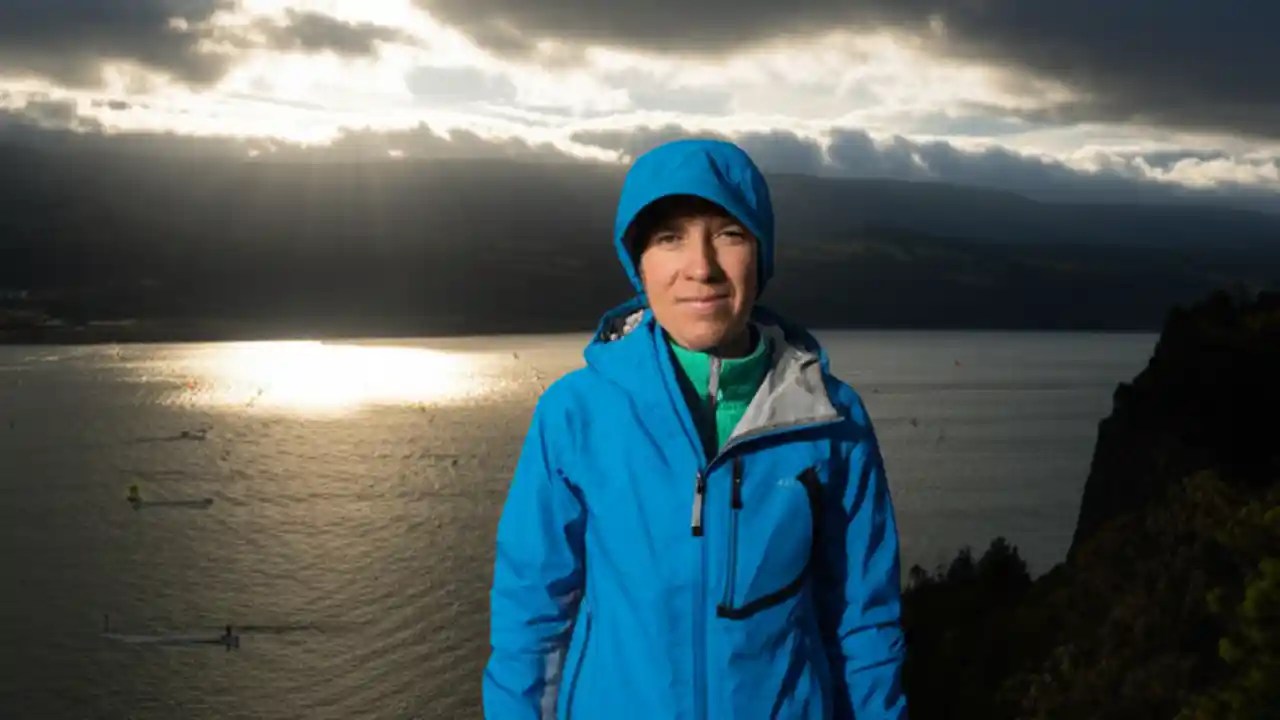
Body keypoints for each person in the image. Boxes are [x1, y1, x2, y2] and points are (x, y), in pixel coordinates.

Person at [483, 138, 908, 718]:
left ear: (762, 252)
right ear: (638, 263)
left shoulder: (832, 420)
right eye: (669, 238)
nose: (701, 267)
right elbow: (531, 618)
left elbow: (865, 622)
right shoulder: (576, 414)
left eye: (729, 233)